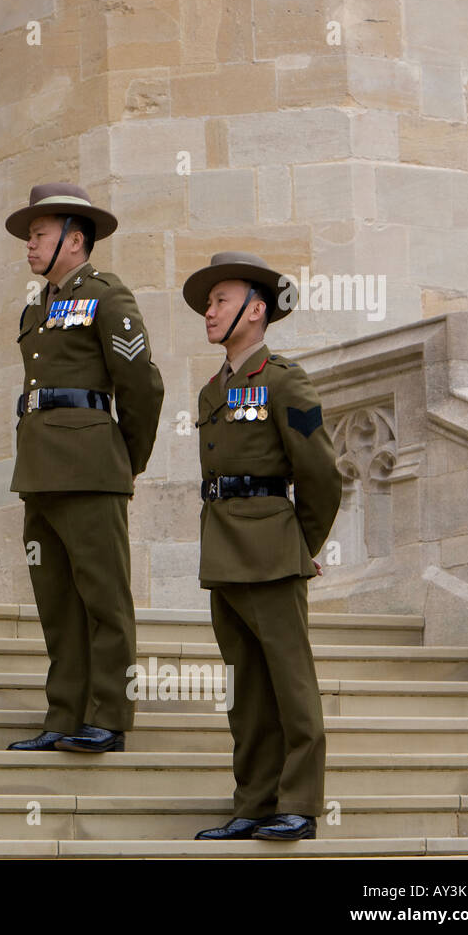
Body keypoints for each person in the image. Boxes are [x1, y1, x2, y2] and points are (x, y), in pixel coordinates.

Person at [182, 251, 341, 841]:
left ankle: (297, 802)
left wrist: (301, 544)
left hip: (273, 551)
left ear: (256, 309)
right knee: (244, 686)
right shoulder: (210, 391)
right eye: (208, 302)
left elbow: (322, 474)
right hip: (223, 551)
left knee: (291, 683)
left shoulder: (283, 379)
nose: (209, 310)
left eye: (221, 300)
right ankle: (253, 801)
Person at [1, 183, 164, 753]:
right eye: (29, 236)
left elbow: (141, 383)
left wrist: (127, 460)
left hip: (92, 467)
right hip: (40, 470)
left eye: (38, 235)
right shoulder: (37, 306)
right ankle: (64, 713)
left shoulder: (106, 295)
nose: (29, 245)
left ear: (74, 239)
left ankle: (109, 716)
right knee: (56, 599)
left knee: (103, 597)